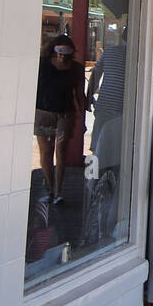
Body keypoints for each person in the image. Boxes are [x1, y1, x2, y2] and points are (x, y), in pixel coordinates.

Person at [34, 33, 86, 207]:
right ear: (54, 51)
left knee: (60, 151)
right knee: (46, 152)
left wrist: (83, 116)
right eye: (59, 52)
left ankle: (58, 191)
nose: (62, 56)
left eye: (65, 52)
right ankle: (50, 188)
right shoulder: (41, 64)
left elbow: (80, 94)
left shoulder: (76, 69)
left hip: (64, 113)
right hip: (43, 112)